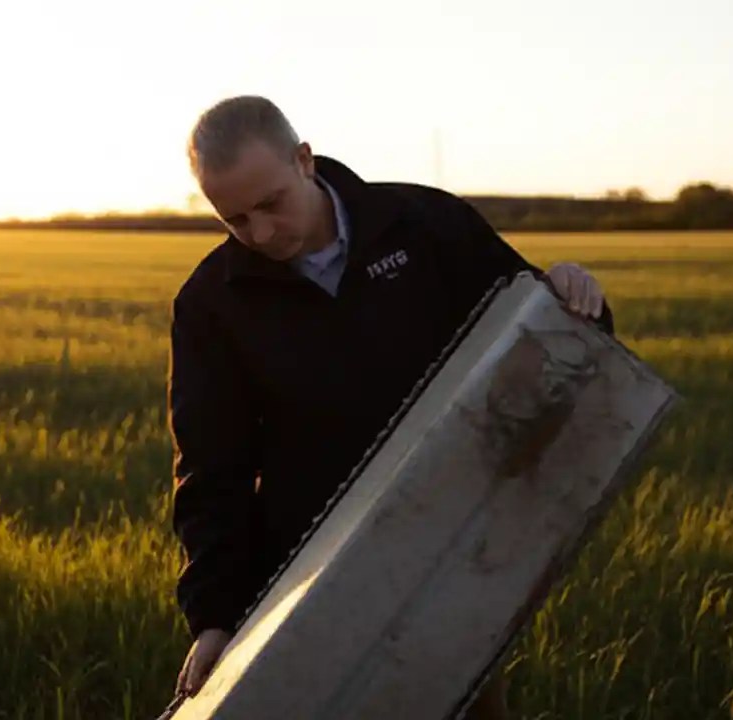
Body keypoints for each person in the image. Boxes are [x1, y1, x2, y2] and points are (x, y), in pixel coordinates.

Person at [165, 95, 613, 720]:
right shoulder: (212, 304)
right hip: (312, 574)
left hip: (456, 545)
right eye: (235, 220)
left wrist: (569, 293)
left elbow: (537, 343)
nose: (261, 234)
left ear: (304, 160)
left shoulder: (425, 225)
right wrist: (213, 619)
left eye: (270, 204)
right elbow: (212, 469)